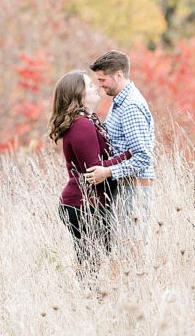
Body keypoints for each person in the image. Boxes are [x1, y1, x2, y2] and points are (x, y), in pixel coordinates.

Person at [48, 70, 132, 274]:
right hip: (84, 205)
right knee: (91, 265)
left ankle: (88, 302)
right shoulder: (82, 125)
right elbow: (94, 169)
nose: (96, 87)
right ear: (78, 94)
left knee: (91, 262)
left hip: (87, 203)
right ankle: (88, 303)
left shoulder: (87, 120)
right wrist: (130, 153)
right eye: (89, 85)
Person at [84, 51, 156, 250]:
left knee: (132, 250)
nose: (100, 85)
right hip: (125, 187)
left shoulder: (131, 106)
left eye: (102, 79)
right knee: (122, 249)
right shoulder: (120, 102)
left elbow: (143, 158)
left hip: (134, 189)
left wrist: (107, 172)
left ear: (118, 75)